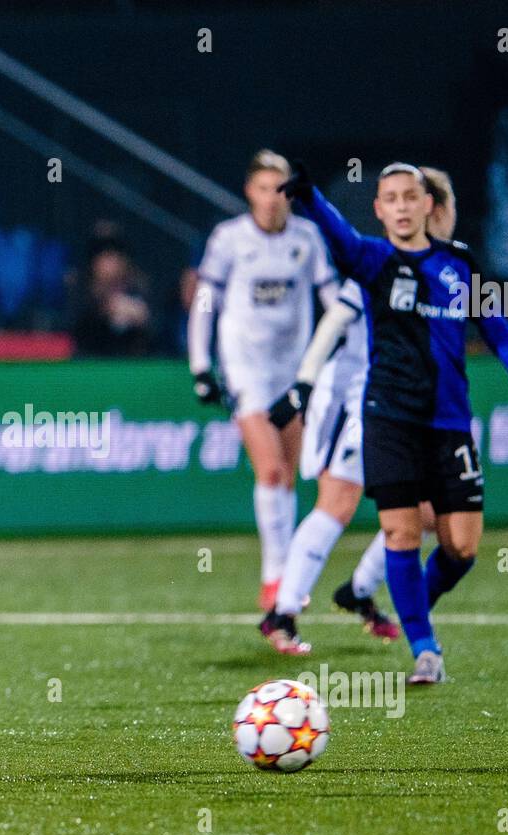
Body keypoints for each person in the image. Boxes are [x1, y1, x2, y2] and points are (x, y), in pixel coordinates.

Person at [279, 161, 508, 683]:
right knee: (400, 534)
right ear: (379, 210)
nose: (402, 206)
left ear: (429, 205)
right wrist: (311, 200)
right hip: (390, 419)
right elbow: (338, 234)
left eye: (411, 196)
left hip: (449, 423)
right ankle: (425, 650)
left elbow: (494, 328)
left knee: (462, 548)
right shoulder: (374, 260)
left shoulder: (458, 264)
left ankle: (411, 611)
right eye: (391, 199)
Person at [263, 168, 464, 653]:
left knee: (433, 514)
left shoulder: (443, 269)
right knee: (338, 501)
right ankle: (283, 612)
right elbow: (336, 318)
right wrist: (305, 384)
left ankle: (356, 591)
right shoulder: (384, 263)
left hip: (405, 410)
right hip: (355, 400)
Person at [188, 150, 338, 623]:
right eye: (263, 188)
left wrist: (342, 344)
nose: (273, 199)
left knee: (290, 478)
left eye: (281, 189)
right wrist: (199, 365)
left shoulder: (308, 238)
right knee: (270, 471)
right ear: (249, 192)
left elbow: (332, 298)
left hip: (295, 371)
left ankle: (283, 579)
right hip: (246, 369)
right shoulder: (229, 239)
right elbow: (206, 301)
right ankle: (276, 576)